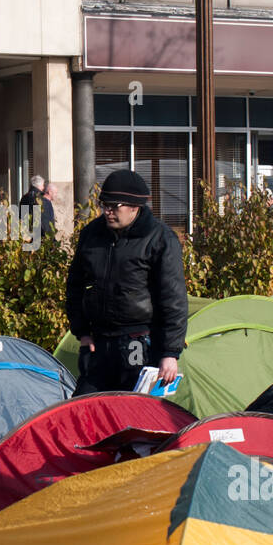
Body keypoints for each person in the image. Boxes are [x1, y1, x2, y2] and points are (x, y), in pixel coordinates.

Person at [66, 169, 188, 395]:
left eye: (115, 205)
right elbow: (74, 286)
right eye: (104, 204)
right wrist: (82, 332)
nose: (108, 211)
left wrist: (170, 353)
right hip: (98, 343)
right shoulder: (91, 234)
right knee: (83, 409)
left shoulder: (160, 239)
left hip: (141, 342)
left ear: (135, 207)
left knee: (135, 415)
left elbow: (173, 299)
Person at [20, 174, 56, 239]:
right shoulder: (41, 199)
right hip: (41, 237)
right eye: (42, 185)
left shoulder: (24, 198)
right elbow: (45, 221)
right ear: (39, 185)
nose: (43, 188)